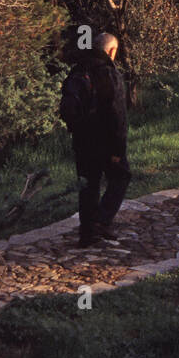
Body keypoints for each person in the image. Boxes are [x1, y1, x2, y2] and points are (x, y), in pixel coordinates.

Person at [60, 32, 131, 248]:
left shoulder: (78, 69)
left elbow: (67, 109)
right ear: (111, 51)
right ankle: (101, 221)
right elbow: (117, 115)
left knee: (88, 186)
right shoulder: (108, 72)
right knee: (121, 177)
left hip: (82, 142)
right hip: (106, 142)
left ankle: (87, 234)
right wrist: (118, 150)